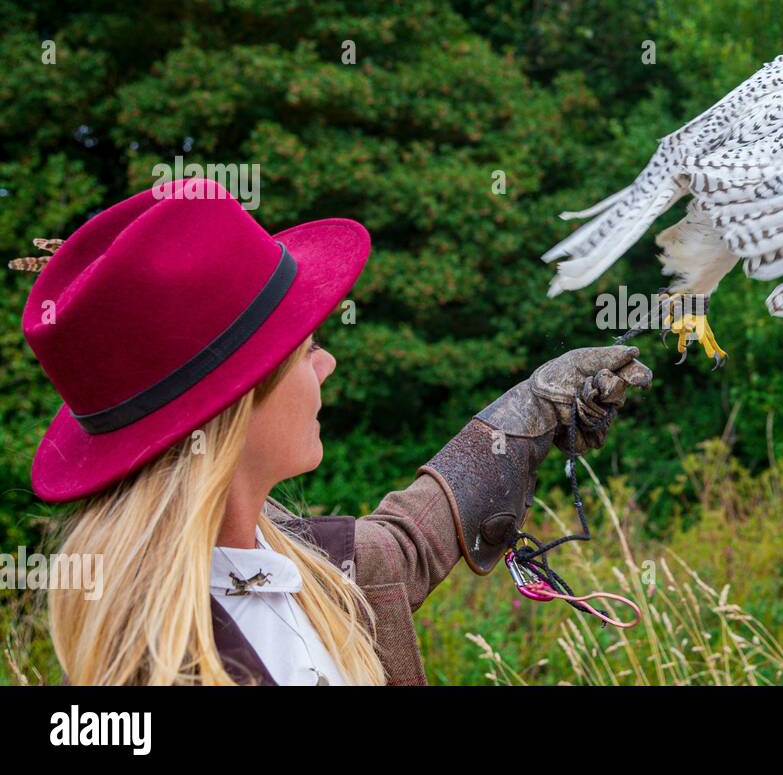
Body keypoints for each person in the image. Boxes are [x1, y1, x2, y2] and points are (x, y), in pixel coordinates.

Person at [15, 178, 651, 685]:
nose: (327, 364)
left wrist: (529, 414)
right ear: (232, 405)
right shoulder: (162, 670)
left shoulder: (288, 563)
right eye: (307, 349)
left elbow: (407, 544)